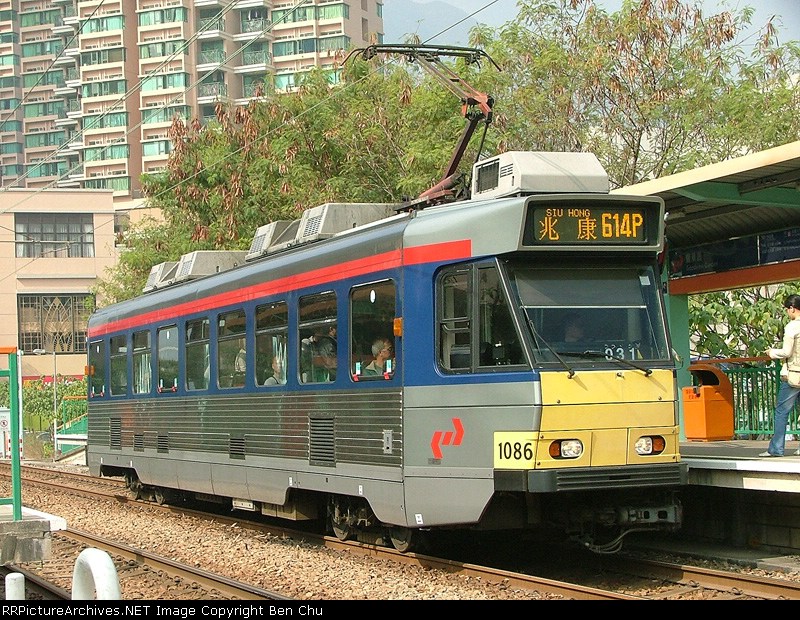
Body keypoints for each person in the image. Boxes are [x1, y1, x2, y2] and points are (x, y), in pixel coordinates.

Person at [760, 294, 800, 457]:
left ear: (792, 308)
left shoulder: (792, 327)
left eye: (786, 309)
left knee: (782, 411)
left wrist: (771, 352)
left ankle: (776, 448)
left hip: (794, 375)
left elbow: (786, 351)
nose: (786, 313)